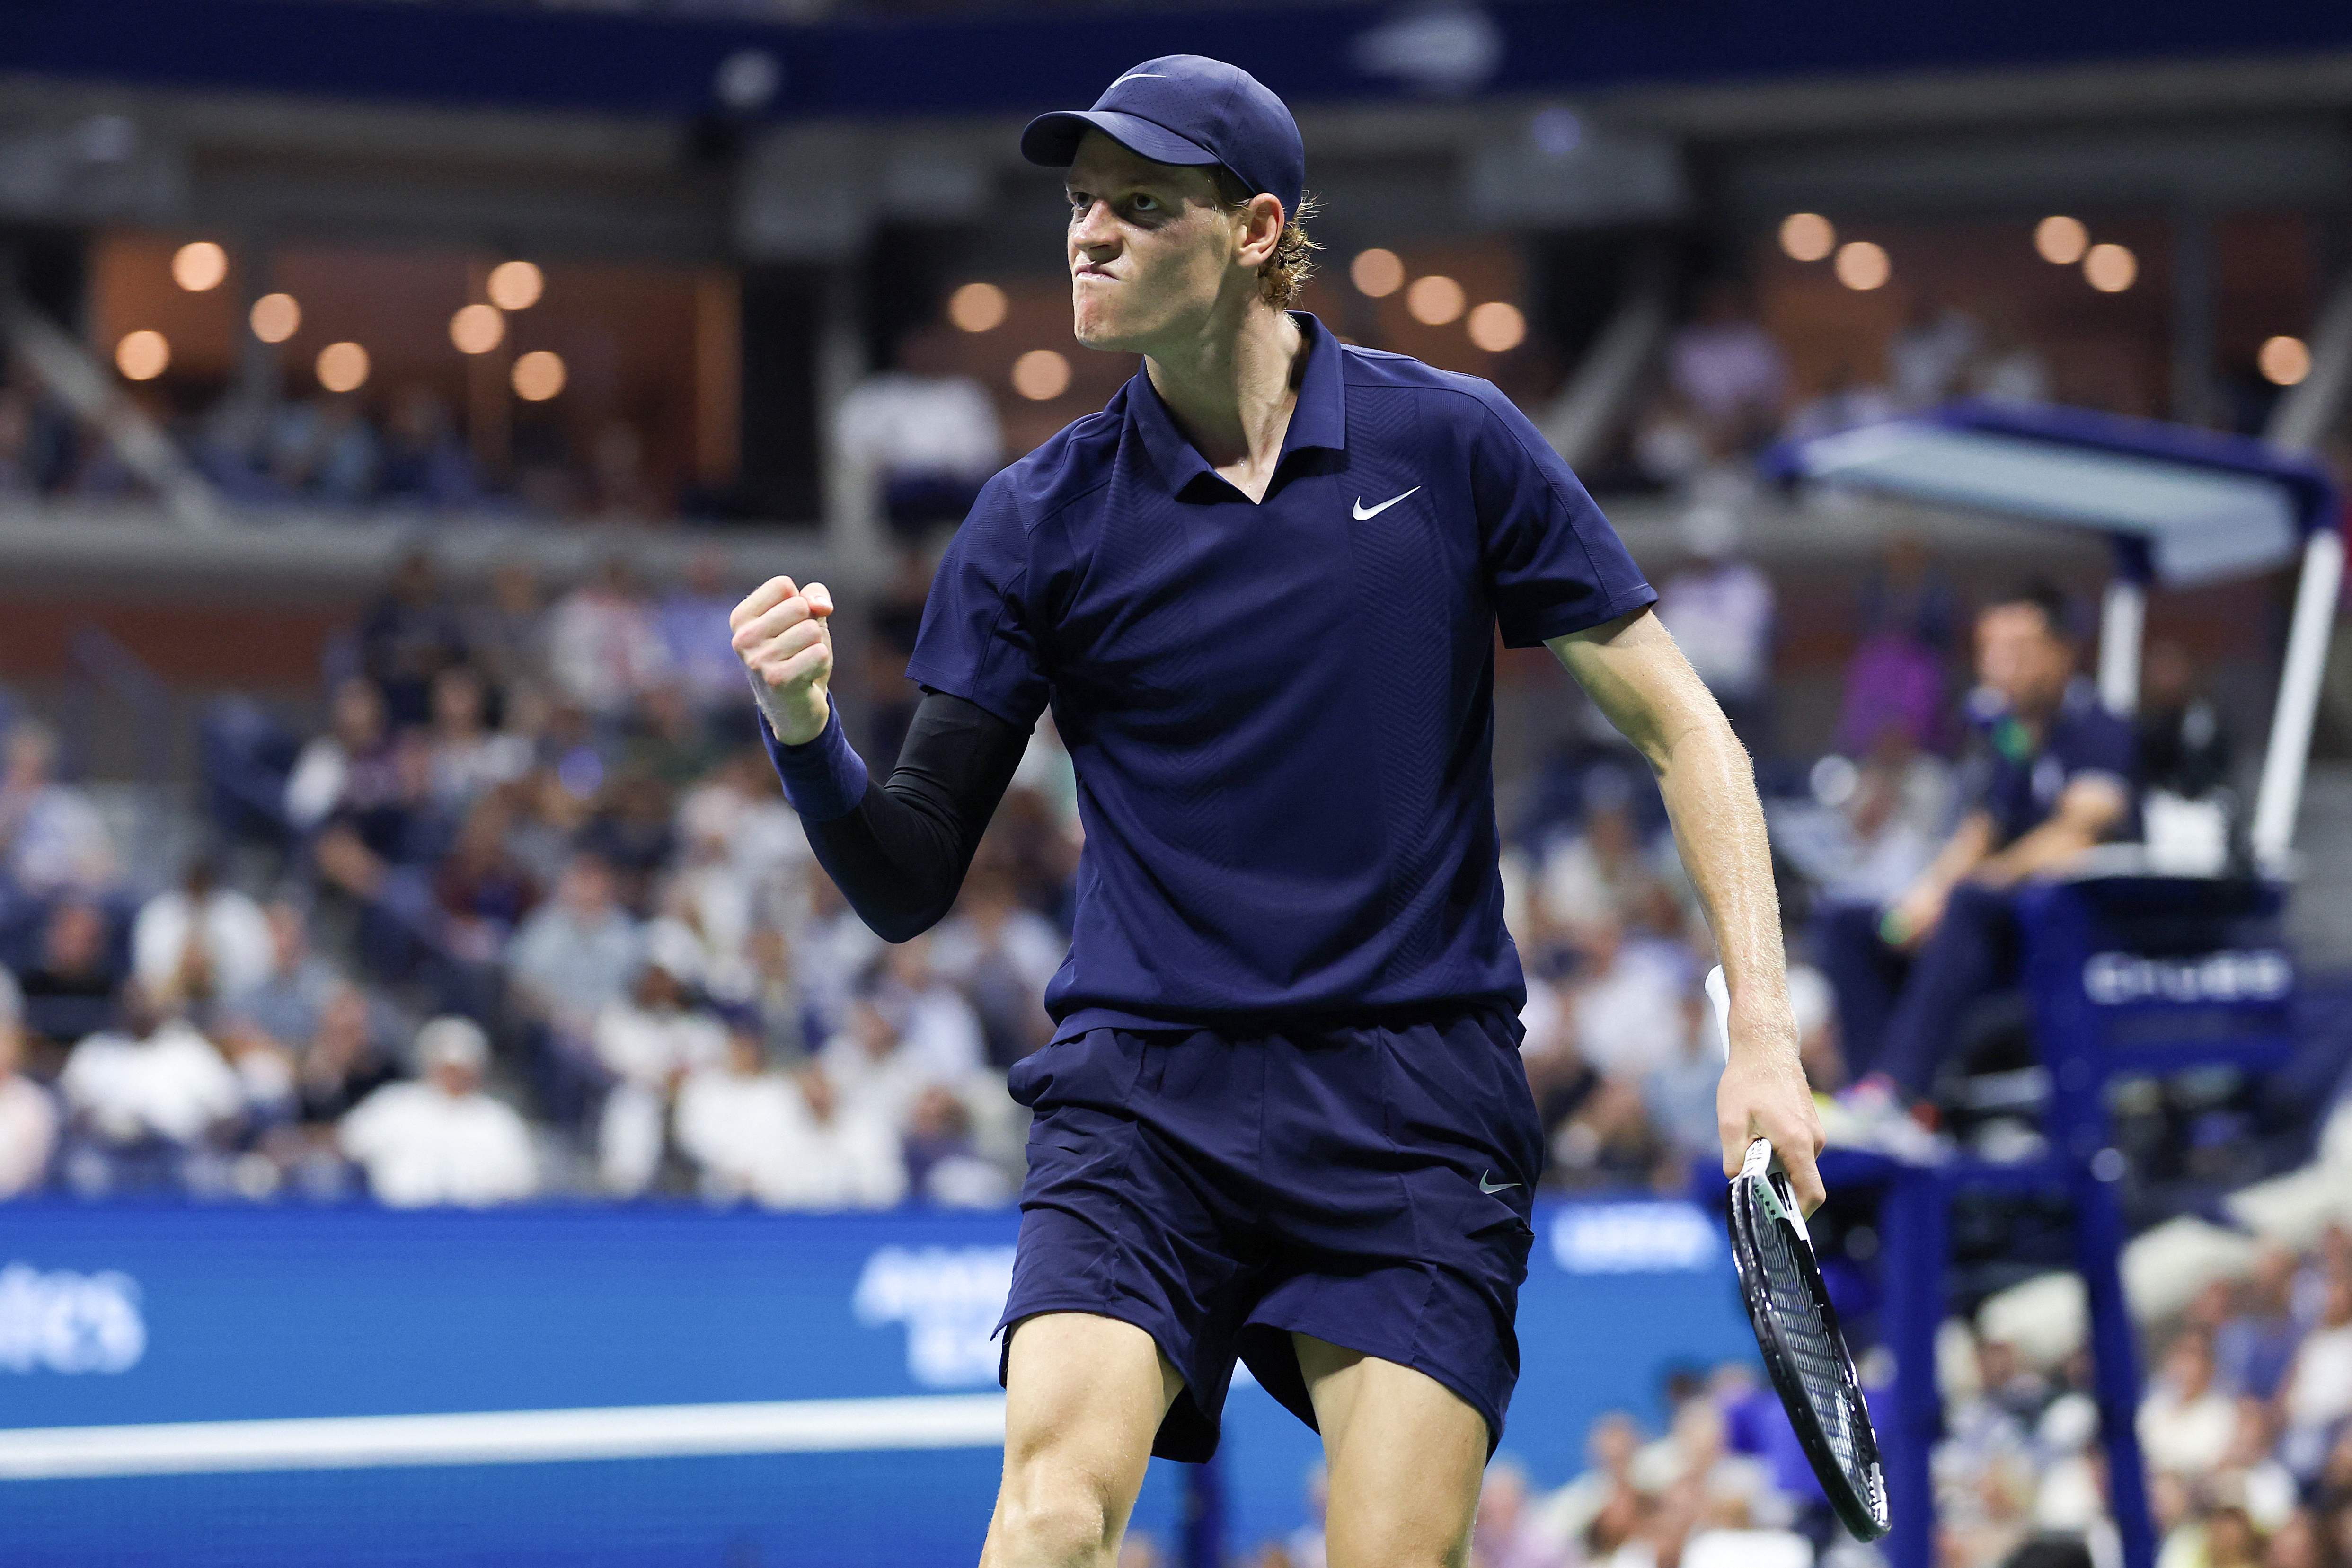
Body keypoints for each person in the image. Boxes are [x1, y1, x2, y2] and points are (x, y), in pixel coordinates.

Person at [730, 55, 1821, 1568]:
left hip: (1411, 1101)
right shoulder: (1034, 520)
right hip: (1144, 1095)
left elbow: (1684, 729)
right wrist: (803, 734)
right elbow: (910, 875)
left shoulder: (1452, 444)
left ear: (1253, 230)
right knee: (1048, 1520)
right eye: (1079, 206)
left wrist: (1760, 1032)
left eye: (1139, 206)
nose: (1088, 237)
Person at [1816, 582, 2137, 1114]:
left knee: (1967, 900)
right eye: (1989, 650)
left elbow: (2080, 830)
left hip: (2074, 928)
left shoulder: (2096, 726)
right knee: (1853, 922)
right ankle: (1867, 1091)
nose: (1998, 665)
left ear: (2061, 651)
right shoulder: (2007, 739)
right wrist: (1921, 900)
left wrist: (1980, 881)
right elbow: (1980, 828)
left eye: (2016, 650)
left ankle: (1898, 1090)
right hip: (1991, 927)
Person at [337, 1016, 538, 1207]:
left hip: (475, 1228)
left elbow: (521, 1184)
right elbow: (344, 1143)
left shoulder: (499, 1121)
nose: (453, 1076)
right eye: (446, 1067)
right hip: (399, 1224)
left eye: (462, 1068)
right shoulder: (394, 1105)